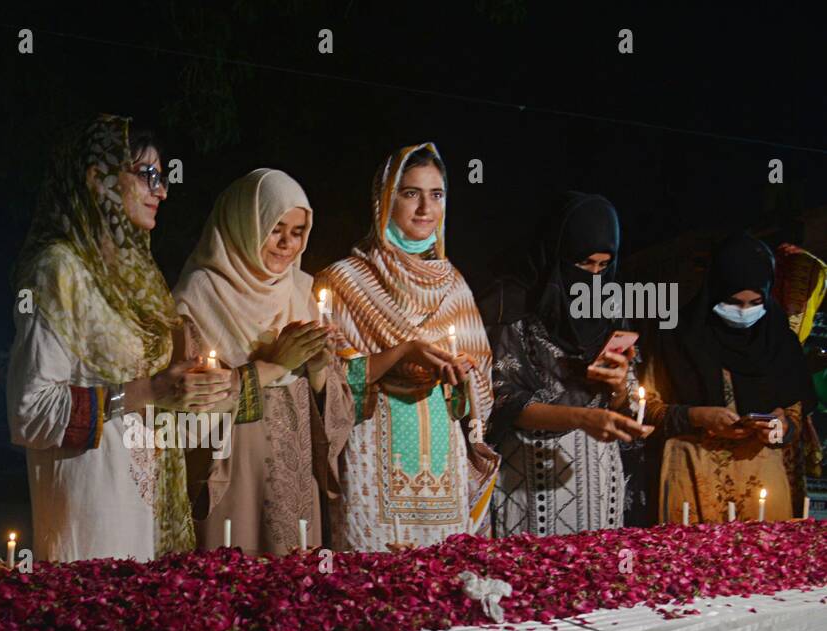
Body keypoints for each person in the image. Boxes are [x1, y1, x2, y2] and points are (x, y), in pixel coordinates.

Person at [7, 114, 234, 562]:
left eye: (163, 177)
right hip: (91, 504)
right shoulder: (58, 269)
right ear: (98, 179)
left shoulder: (137, 277)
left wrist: (198, 386)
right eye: (147, 175)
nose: (162, 191)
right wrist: (151, 390)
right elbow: (29, 411)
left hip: (147, 504)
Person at [315, 143, 498, 550]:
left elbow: (482, 391)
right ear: (385, 200)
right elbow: (328, 381)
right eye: (410, 193)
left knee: (442, 590)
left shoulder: (455, 286)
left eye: (436, 195)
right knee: (369, 592)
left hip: (443, 470)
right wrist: (400, 356)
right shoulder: (344, 281)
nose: (424, 209)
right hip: (369, 467)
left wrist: (463, 377)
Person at [171, 169, 353, 555]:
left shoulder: (301, 292)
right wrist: (271, 365)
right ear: (243, 224)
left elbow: (335, 419)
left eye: (298, 231)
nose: (287, 243)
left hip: (296, 480)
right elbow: (185, 412)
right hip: (234, 475)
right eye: (275, 228)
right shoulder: (198, 298)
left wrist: (319, 369)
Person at [480, 191, 652, 536]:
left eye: (604, 266)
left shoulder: (611, 309)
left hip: (599, 479)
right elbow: (501, 399)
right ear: (555, 253)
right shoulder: (511, 306)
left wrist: (619, 385)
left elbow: (630, 398)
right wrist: (581, 417)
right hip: (530, 478)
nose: (594, 276)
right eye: (584, 264)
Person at [643, 233, 817, 522]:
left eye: (754, 302)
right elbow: (645, 407)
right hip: (693, 476)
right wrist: (697, 416)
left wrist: (778, 427)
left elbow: (794, 414)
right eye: (734, 302)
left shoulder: (779, 341)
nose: (744, 312)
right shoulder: (676, 337)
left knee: (764, 564)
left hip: (763, 482)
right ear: (714, 290)